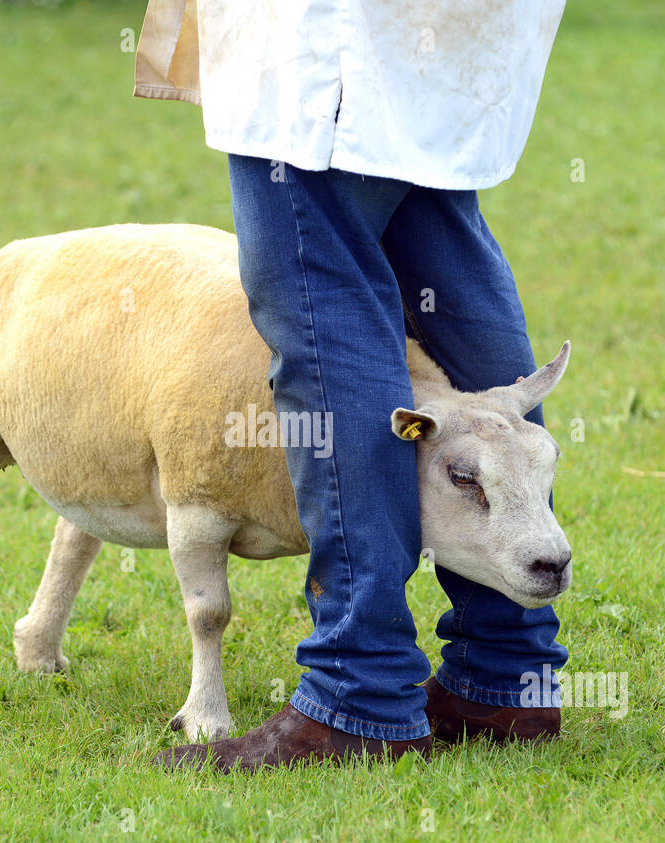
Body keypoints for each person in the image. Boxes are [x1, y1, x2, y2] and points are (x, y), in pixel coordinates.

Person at [134, 0, 570, 770]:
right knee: (441, 251)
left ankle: (358, 694)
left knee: (319, 294)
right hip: (436, 40)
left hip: (332, 40)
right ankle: (505, 678)